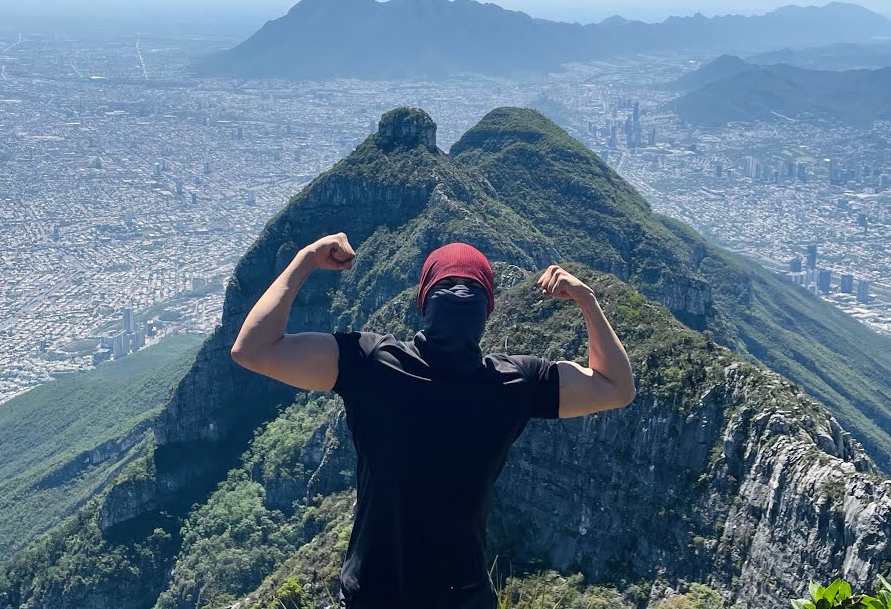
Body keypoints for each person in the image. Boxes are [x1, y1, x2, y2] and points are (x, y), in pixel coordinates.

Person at [231, 233, 635, 609]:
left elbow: (254, 349)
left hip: (375, 594)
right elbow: (615, 387)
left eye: (468, 286)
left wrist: (306, 259)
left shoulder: (371, 363)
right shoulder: (515, 382)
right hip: (459, 597)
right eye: (454, 285)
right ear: (487, 309)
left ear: (425, 301)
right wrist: (586, 300)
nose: (460, 292)